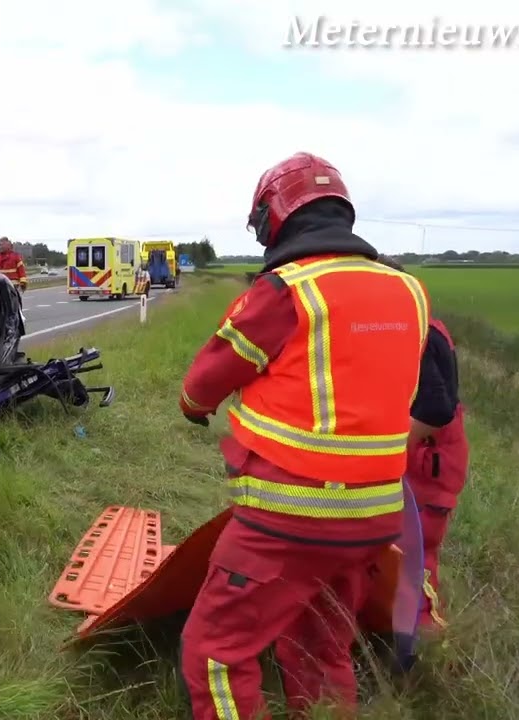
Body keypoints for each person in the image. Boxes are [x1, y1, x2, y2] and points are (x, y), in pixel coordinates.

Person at [176, 152, 432, 720]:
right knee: (319, 645)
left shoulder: (286, 290)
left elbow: (207, 380)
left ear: (274, 217)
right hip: (377, 515)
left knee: (216, 652)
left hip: (289, 517)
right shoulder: (408, 292)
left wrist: (195, 408)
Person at [376, 255, 467, 634]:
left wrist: (385, 449)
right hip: (424, 458)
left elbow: (435, 410)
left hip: (429, 464)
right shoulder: (414, 326)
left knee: (417, 558)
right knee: (397, 552)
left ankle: (430, 650)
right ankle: (393, 629)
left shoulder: (420, 334)